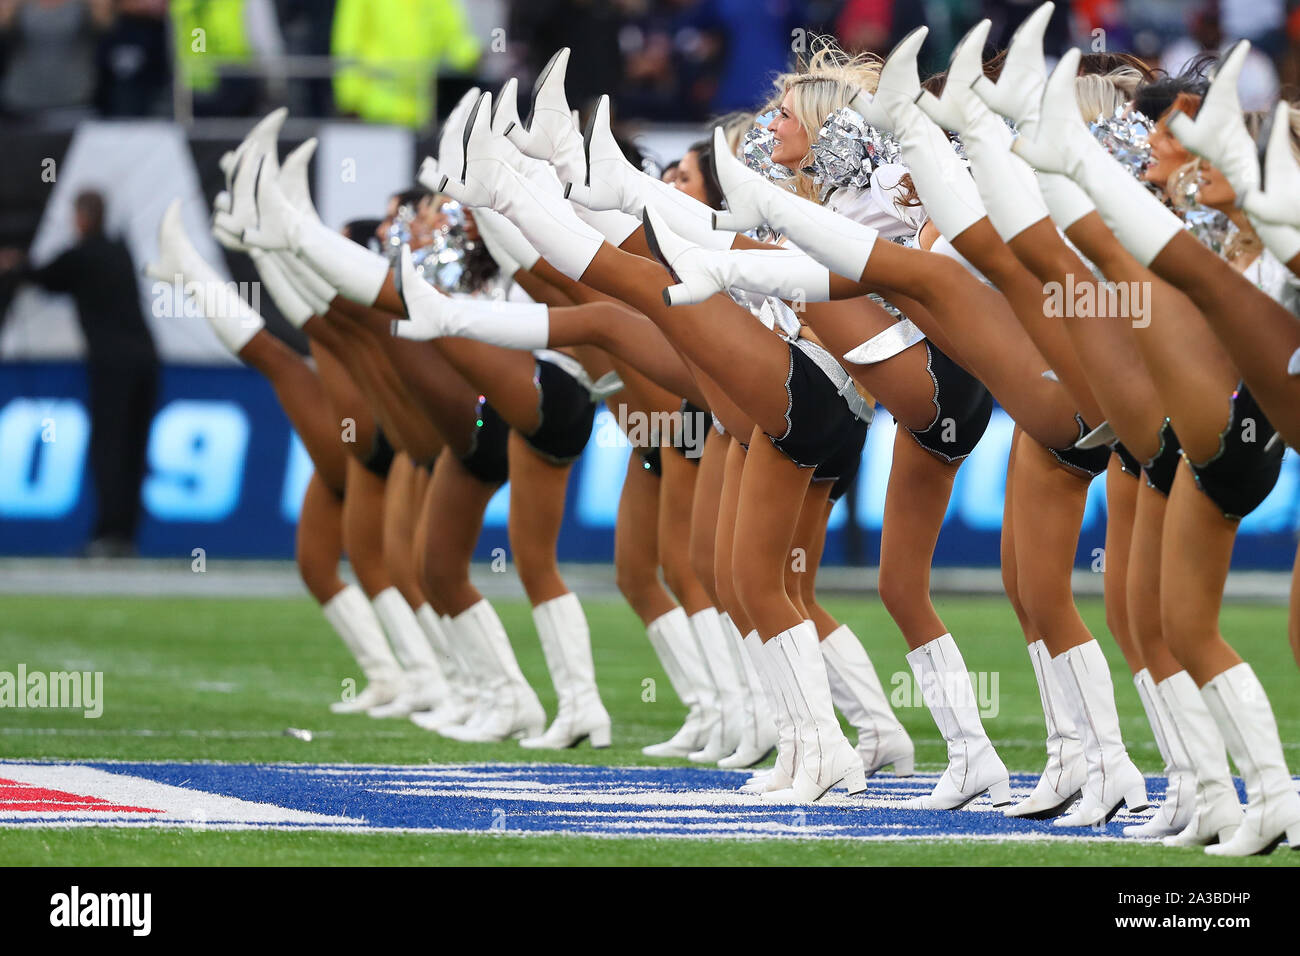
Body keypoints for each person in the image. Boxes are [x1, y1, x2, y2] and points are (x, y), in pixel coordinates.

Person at [1, 189, 157, 557]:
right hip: (147, 363)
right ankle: (124, 535)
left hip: (114, 368)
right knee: (133, 449)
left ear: (82, 218)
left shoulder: (83, 255)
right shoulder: (118, 251)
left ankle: (110, 534)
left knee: (110, 447)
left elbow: (44, 276)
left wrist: (13, 265)